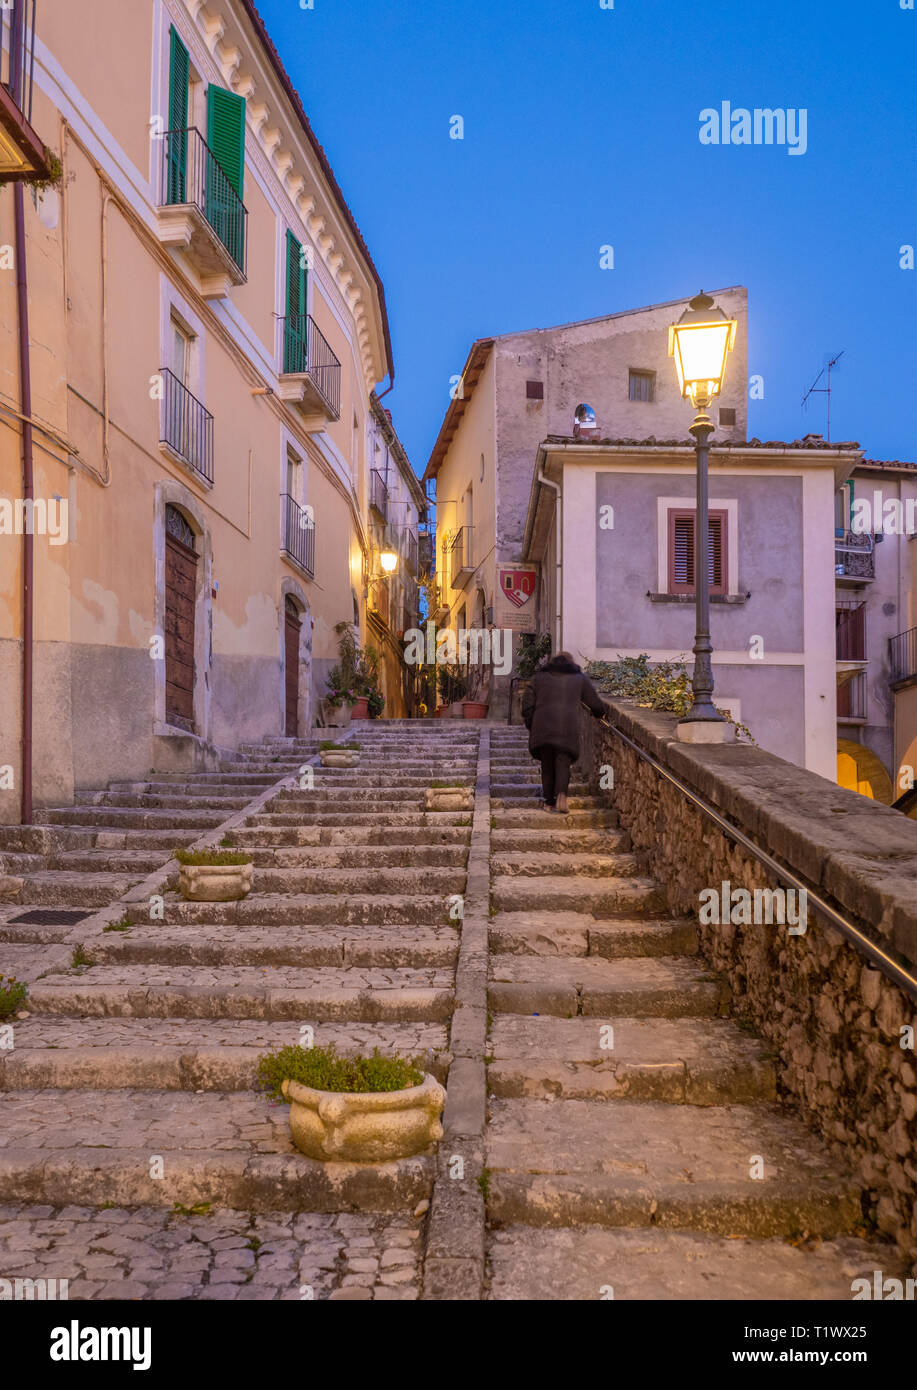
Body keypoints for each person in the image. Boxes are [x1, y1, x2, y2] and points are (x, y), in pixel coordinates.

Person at [521, 651, 606, 813]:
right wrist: (599, 714)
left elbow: (527, 702)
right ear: (571, 663)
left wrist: (531, 722)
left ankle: (549, 802)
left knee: (547, 765)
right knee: (563, 763)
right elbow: (594, 702)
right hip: (567, 728)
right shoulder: (579, 678)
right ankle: (561, 794)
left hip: (543, 727)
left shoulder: (539, 678)